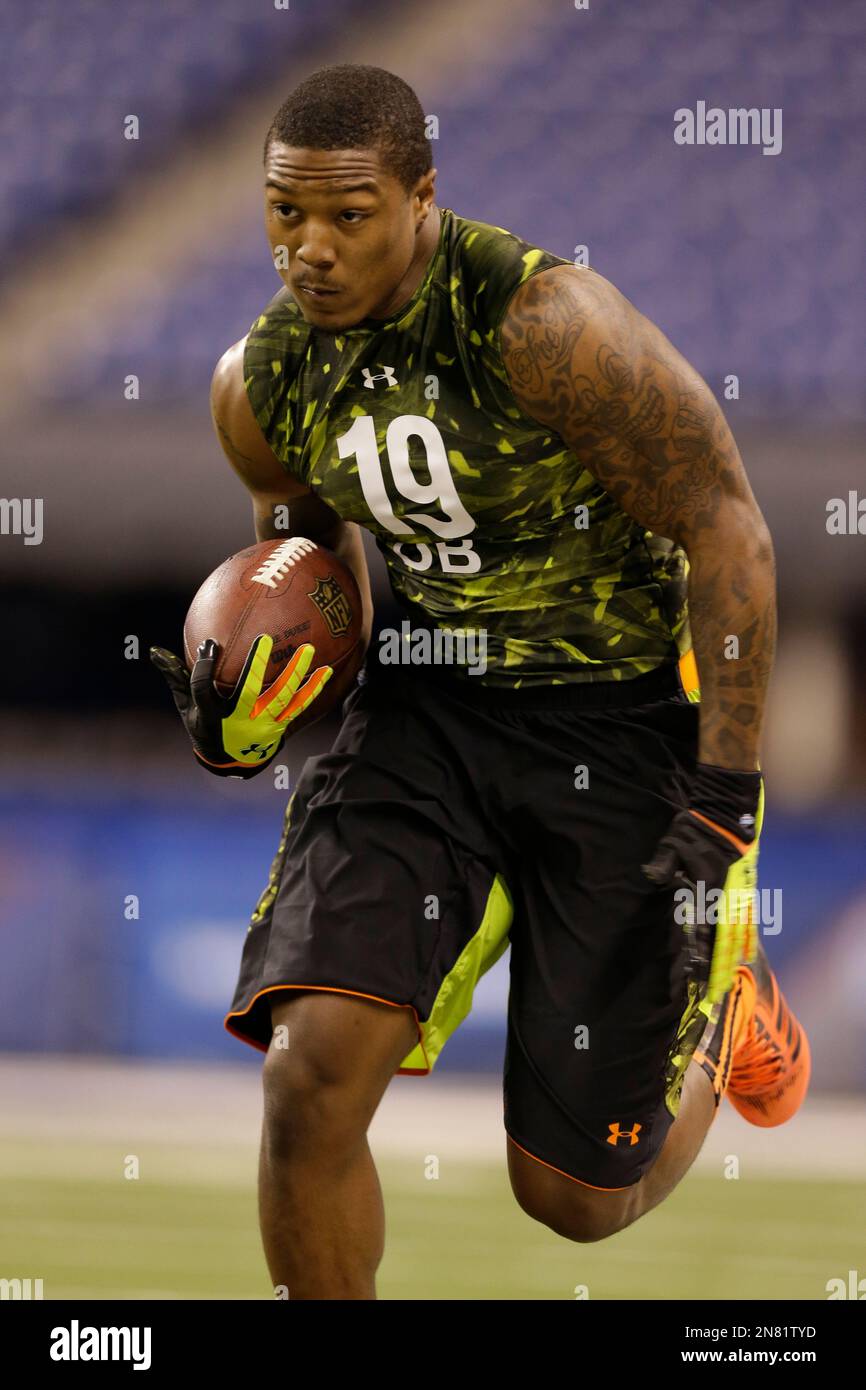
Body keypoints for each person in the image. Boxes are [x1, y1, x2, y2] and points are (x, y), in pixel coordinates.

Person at [151, 63, 810, 1300]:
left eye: (349, 215)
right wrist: (248, 716)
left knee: (572, 1199)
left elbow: (732, 534)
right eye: (286, 213)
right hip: (428, 706)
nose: (312, 249)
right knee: (308, 1073)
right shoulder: (261, 384)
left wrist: (722, 792)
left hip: (621, 719)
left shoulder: (545, 324)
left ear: (422, 198)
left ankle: (727, 1020)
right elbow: (318, 583)